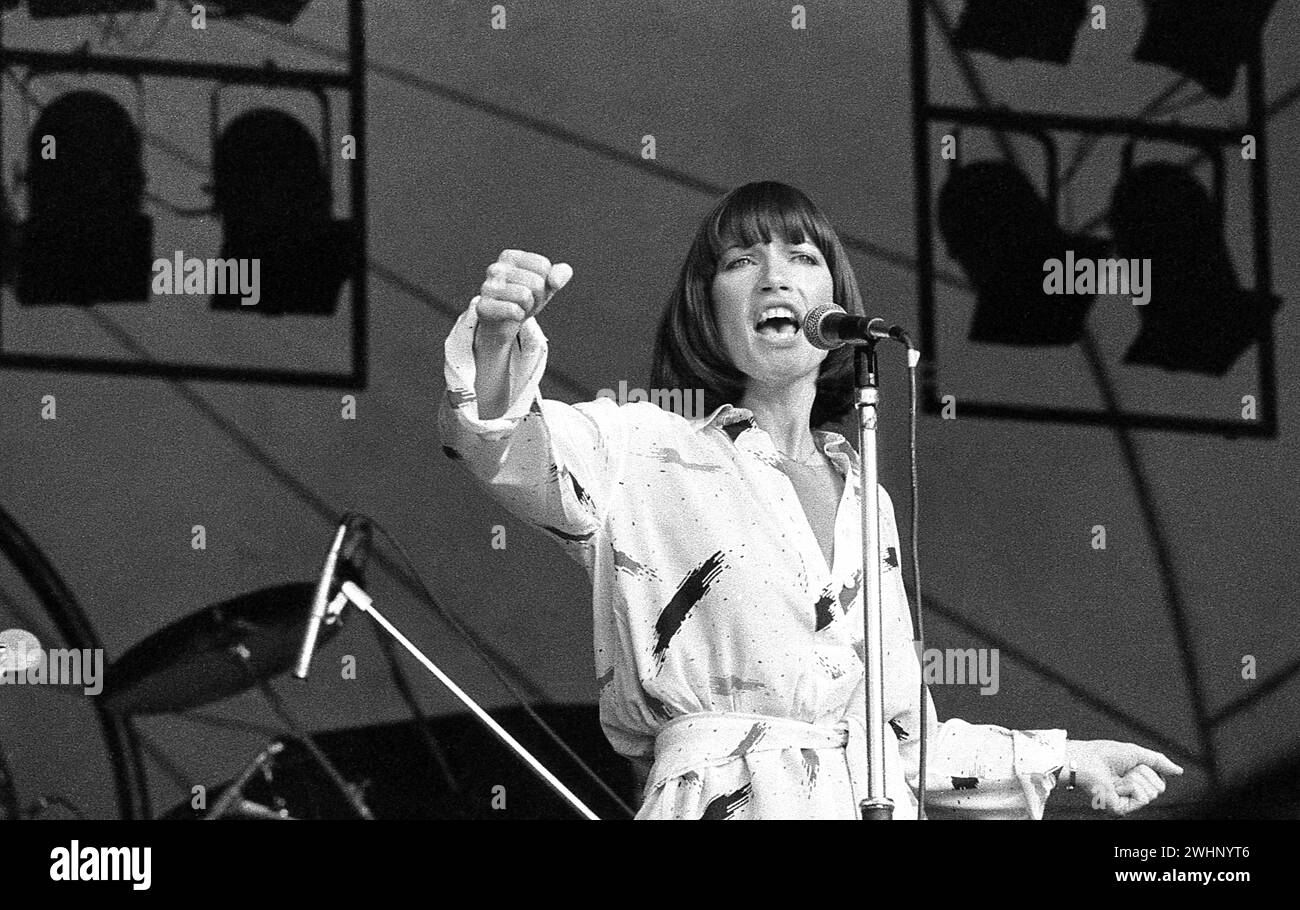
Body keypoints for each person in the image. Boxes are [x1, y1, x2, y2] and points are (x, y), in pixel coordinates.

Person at [438, 180, 1183, 819]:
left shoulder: (869, 501)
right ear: (710, 306)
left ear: (836, 301)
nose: (775, 277)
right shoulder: (645, 450)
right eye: (742, 261)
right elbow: (505, 446)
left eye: (802, 256)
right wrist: (498, 343)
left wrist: (1069, 759)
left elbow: (906, 744)